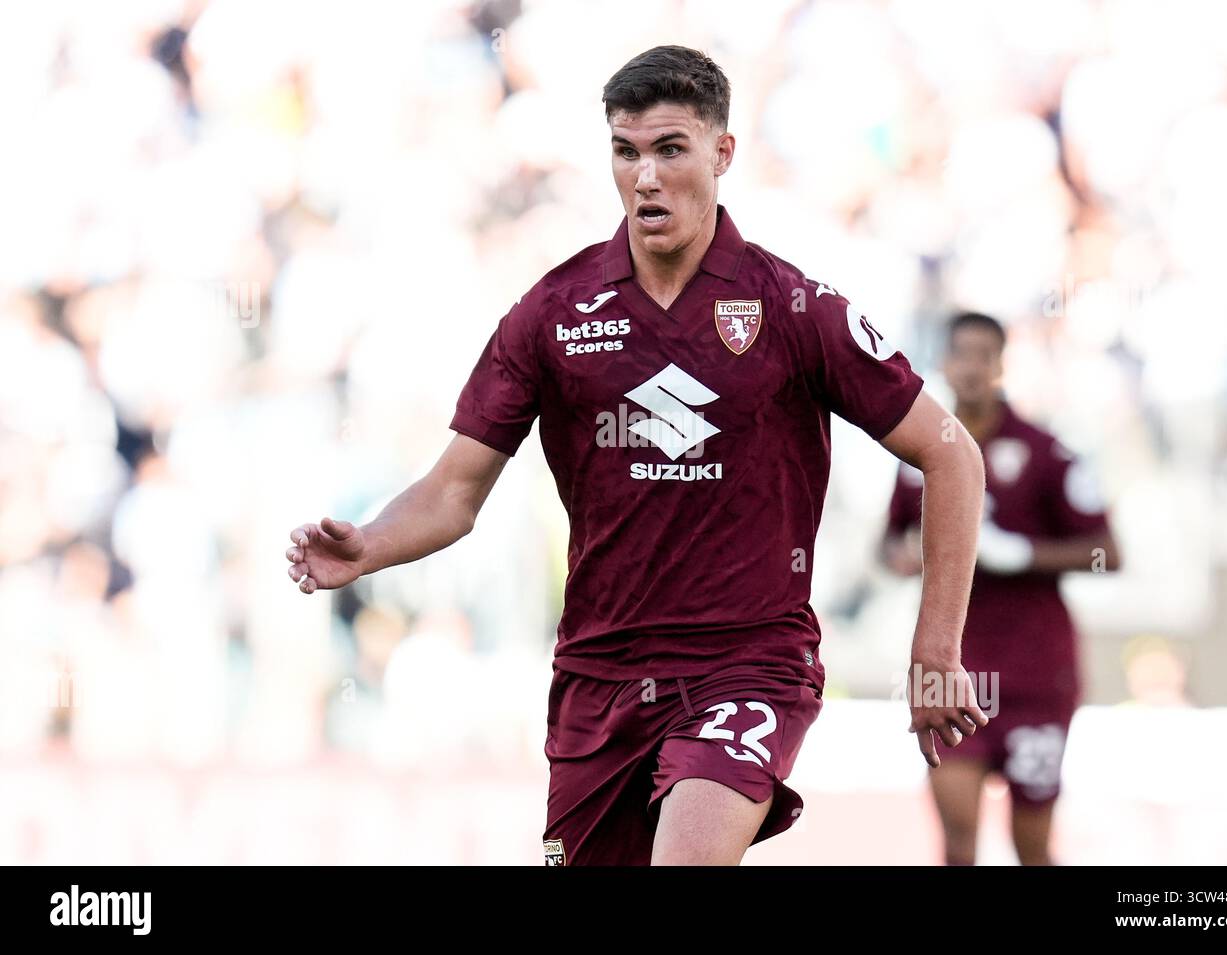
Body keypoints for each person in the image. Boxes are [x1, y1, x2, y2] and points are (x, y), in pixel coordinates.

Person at [287, 45, 988, 865]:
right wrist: (368, 544)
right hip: (599, 676)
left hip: (748, 664)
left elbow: (952, 455)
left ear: (723, 153)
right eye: (626, 152)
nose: (645, 177)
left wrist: (935, 651)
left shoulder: (796, 309)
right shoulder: (553, 314)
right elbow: (452, 493)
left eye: (669, 149)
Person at [882, 311, 1121, 866]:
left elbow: (1108, 551)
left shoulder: (1045, 451)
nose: (971, 367)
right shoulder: (917, 455)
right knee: (957, 837)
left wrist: (1022, 554)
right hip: (950, 667)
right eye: (961, 353)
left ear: (1001, 365)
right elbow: (889, 546)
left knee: (1031, 845)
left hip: (1036, 673)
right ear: (943, 361)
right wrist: (911, 555)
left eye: (983, 356)